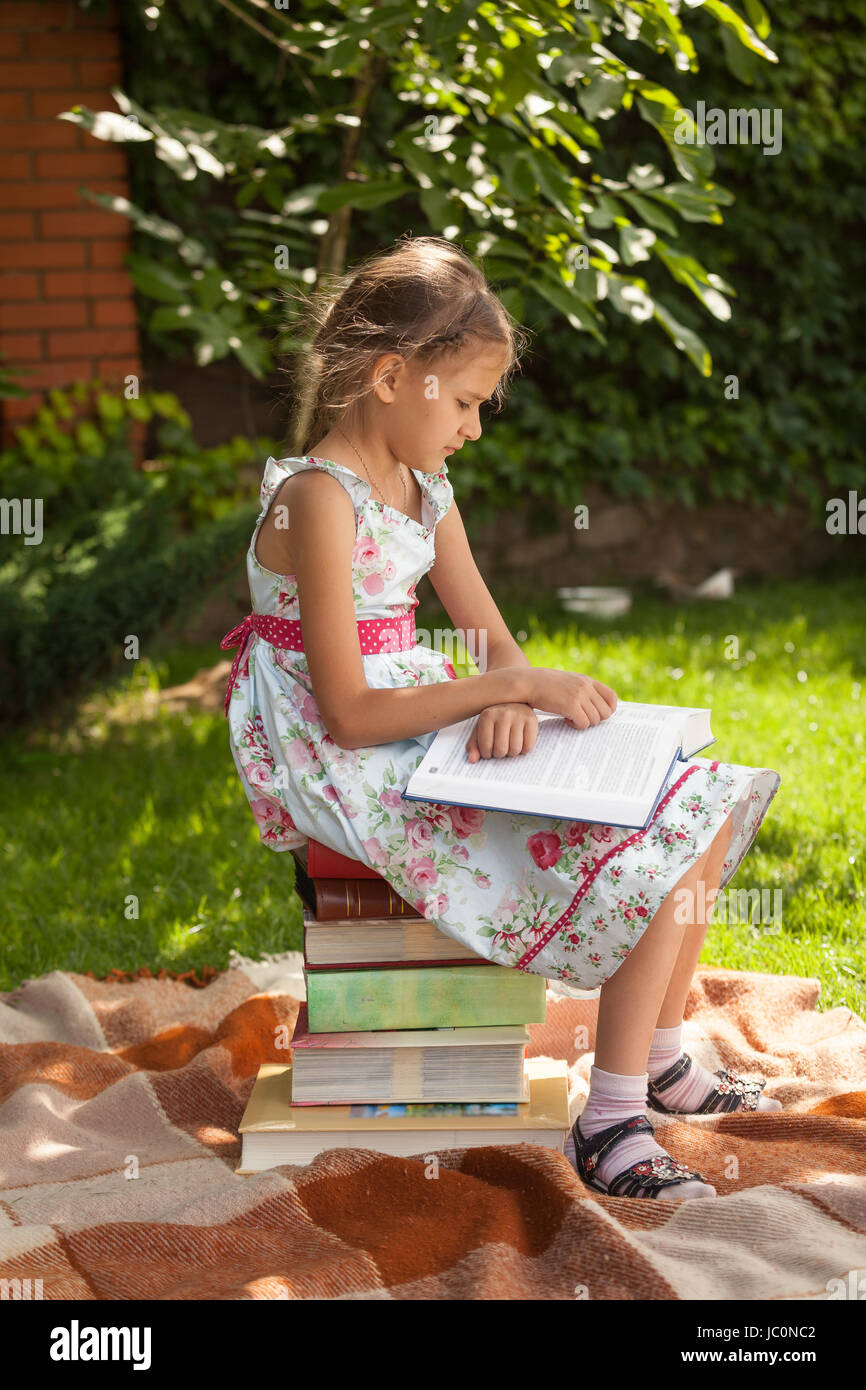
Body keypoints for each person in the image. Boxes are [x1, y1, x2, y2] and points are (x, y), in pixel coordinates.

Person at [221, 234, 783, 1201]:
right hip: (341, 753)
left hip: (415, 716)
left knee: (703, 795)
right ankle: (610, 1127)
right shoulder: (318, 499)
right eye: (469, 401)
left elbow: (490, 644)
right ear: (394, 376)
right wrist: (499, 692)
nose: (475, 428)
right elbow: (348, 712)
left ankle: (655, 1058)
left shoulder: (425, 488)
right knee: (648, 831)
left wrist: (519, 694)